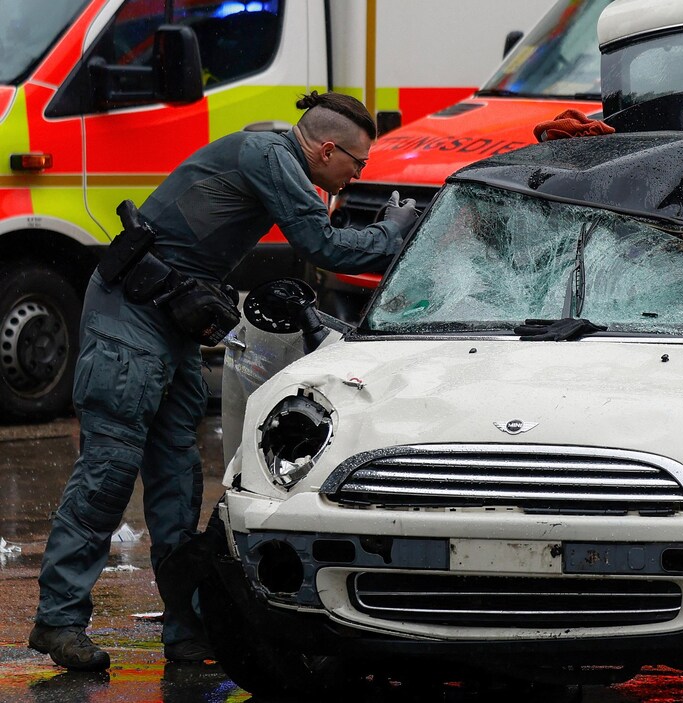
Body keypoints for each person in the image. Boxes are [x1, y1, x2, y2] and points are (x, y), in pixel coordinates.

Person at [28, 91, 419, 672]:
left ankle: (187, 633)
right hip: (129, 319)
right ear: (328, 148)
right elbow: (323, 246)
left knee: (178, 486)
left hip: (167, 321)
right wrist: (395, 231)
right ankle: (58, 621)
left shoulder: (271, 157)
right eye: (356, 164)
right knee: (109, 474)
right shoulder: (270, 155)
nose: (356, 175)